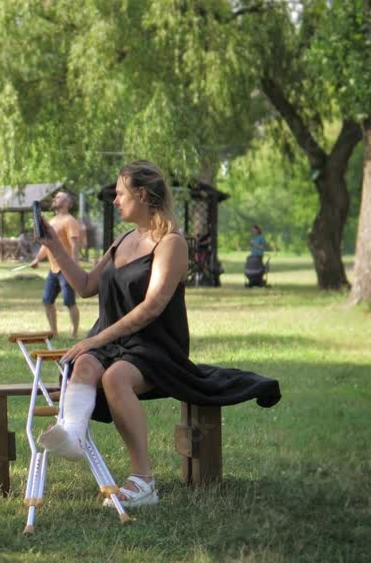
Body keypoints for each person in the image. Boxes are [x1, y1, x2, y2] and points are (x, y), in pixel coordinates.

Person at [33, 160, 280, 508]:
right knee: (83, 365)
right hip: (113, 342)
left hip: (155, 346)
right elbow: (87, 285)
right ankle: (73, 436)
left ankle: (143, 481)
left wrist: (96, 339)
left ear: (143, 195)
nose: (115, 200)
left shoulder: (171, 244)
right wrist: (55, 247)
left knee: (115, 377)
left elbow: (152, 307)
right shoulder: (122, 240)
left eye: (120, 194)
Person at [29, 191, 82, 338]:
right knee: (47, 301)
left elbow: (74, 246)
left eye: (58, 197)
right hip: (53, 270)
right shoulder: (51, 221)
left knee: (70, 302)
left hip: (66, 269)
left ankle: (74, 334)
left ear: (67, 203)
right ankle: (54, 333)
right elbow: (46, 246)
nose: (54, 199)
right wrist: (37, 259)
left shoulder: (70, 221)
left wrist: (74, 269)